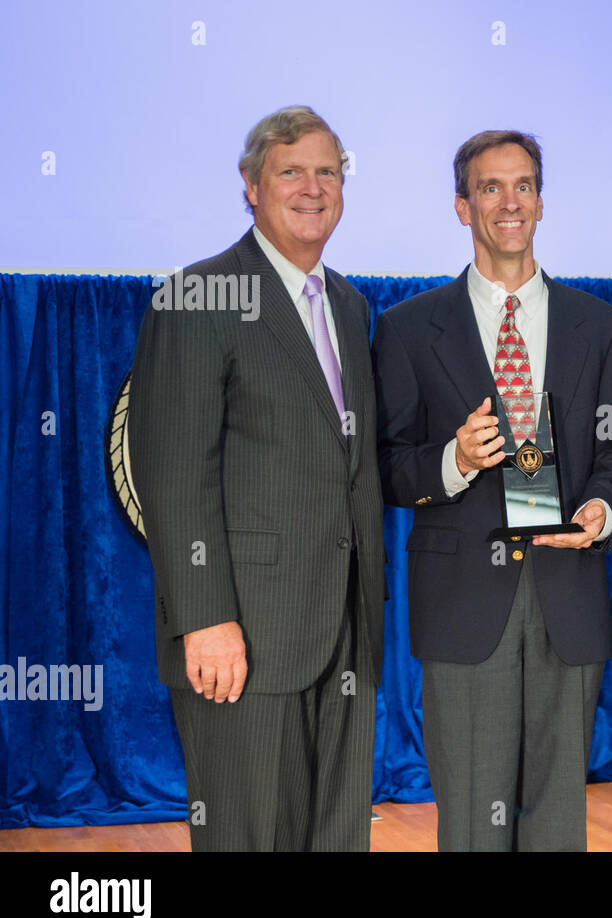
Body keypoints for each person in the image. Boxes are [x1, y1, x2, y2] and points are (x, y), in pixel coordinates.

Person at [372, 131, 612, 851]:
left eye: (523, 185)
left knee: (557, 824)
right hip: (463, 605)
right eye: (490, 188)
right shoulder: (406, 330)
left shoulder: (602, 325)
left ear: (542, 201)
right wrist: (453, 462)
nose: (509, 201)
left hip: (568, 595)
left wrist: (603, 509)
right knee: (470, 825)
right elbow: (387, 467)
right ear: (462, 207)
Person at [129, 106, 385, 851]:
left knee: (335, 838)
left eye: (328, 171)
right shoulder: (197, 297)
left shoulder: (348, 304)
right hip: (242, 635)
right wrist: (206, 621)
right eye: (291, 171)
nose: (313, 188)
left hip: (345, 630)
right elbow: (174, 475)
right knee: (249, 836)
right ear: (250, 185)